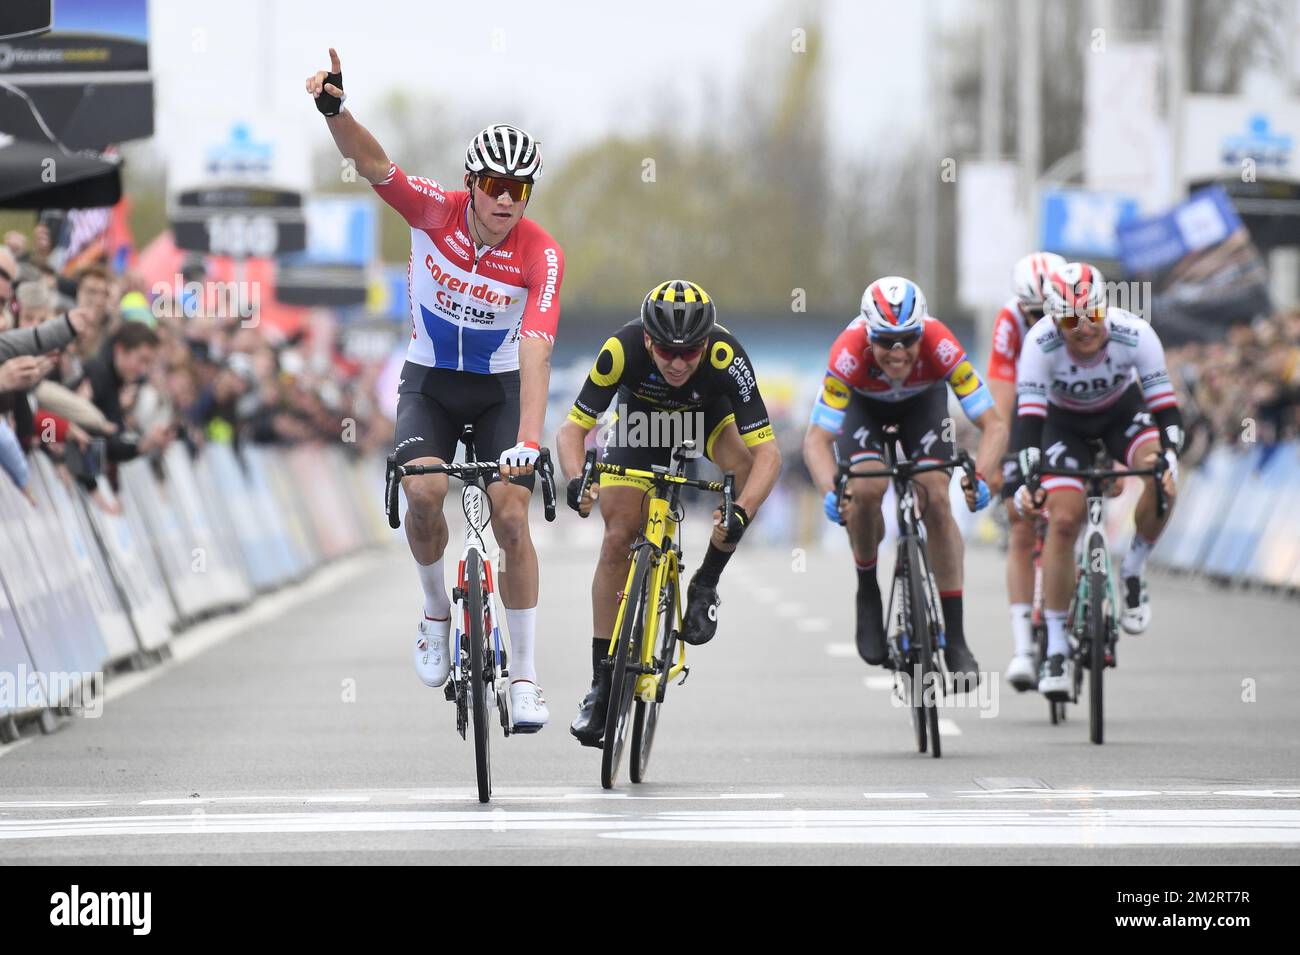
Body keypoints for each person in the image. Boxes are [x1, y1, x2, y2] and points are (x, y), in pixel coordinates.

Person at [307, 48, 565, 731]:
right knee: (423, 492)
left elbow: (537, 350)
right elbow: (372, 165)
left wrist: (531, 443)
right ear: (471, 182)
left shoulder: (541, 253)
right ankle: (433, 611)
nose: (507, 199)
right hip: (429, 384)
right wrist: (336, 110)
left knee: (512, 516)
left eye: (521, 188)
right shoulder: (432, 211)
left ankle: (528, 675)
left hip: (501, 390)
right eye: (495, 184)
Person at [556, 280, 782, 746]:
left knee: (742, 470)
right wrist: (579, 480)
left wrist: (740, 511)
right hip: (640, 423)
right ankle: (601, 683)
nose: (678, 363)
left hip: (707, 416)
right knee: (619, 537)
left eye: (690, 353)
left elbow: (770, 457)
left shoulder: (726, 356)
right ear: (646, 341)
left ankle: (706, 582)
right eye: (666, 352)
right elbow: (571, 431)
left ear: (707, 344)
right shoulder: (619, 349)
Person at [802, 276, 1007, 689]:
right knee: (865, 489)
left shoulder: (941, 343)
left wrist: (981, 475)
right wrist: (831, 490)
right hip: (864, 410)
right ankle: (867, 590)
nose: (897, 353)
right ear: (867, 335)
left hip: (923, 406)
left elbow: (994, 424)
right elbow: (816, 440)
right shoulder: (847, 353)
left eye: (907, 340)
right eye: (885, 342)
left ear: (921, 331)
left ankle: (957, 638)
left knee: (936, 497)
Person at [1011, 262, 1181, 698]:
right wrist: (1030, 478)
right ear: (1053, 318)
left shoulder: (1135, 333)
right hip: (1061, 424)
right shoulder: (1039, 343)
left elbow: (1165, 407)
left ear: (1105, 308)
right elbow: (1028, 424)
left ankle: (1134, 571)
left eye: (1091, 315)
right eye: (1070, 319)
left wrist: (1170, 457)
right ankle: (1052, 646)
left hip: (1120, 414)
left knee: (1160, 474)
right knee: (1064, 521)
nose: (1083, 328)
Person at [986, 251, 1065, 691]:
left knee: (1073, 508)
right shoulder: (1009, 322)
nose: (1039, 320)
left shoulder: (1082, 313)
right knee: (1021, 521)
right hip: (1029, 409)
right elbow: (1002, 395)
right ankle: (1023, 648)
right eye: (1031, 311)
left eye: (1047, 312)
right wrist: (1001, 457)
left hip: (1076, 409)